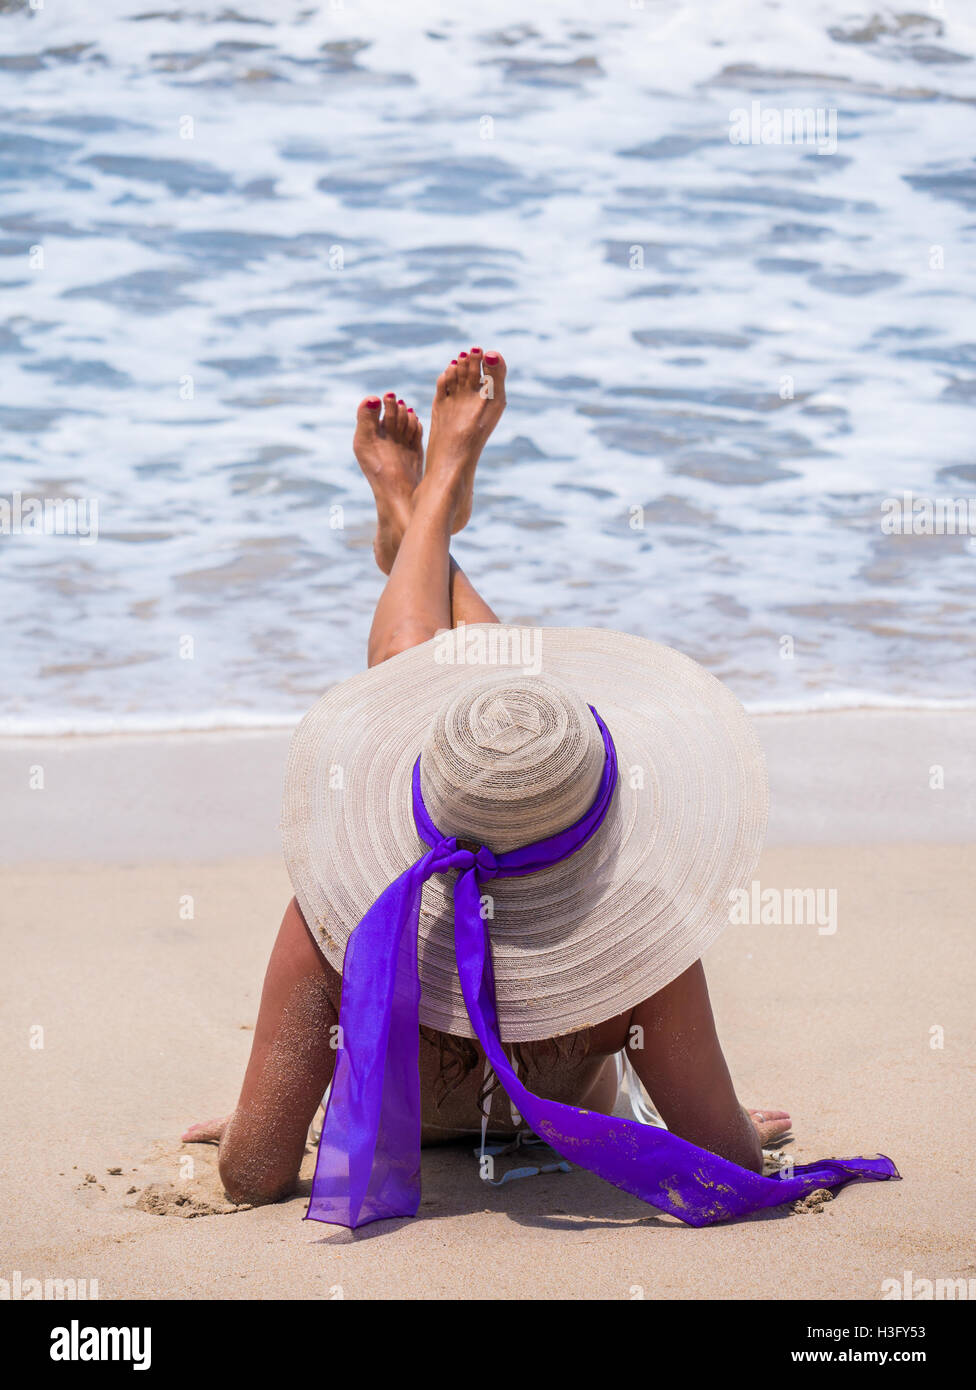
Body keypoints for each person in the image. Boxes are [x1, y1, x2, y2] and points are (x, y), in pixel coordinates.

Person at [184, 347, 886, 1224]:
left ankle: (422, 509)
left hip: (403, 1105)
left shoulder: (338, 919)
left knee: (446, 695)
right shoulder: (641, 926)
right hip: (559, 1122)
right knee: (513, 722)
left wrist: (272, 1115)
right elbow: (727, 1165)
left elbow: (252, 1176)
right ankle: (426, 507)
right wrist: (731, 1121)